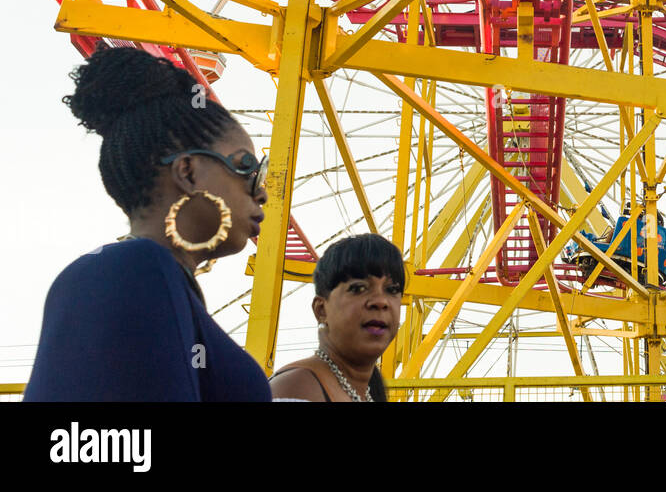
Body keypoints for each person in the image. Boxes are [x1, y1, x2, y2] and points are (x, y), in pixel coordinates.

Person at [25, 45, 271, 401]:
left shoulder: (129, 273)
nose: (261, 193)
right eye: (248, 168)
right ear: (187, 171)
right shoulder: (135, 269)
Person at [270, 234, 404, 402]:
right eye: (359, 288)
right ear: (321, 310)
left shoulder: (366, 393)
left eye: (391, 290)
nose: (380, 301)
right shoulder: (297, 388)